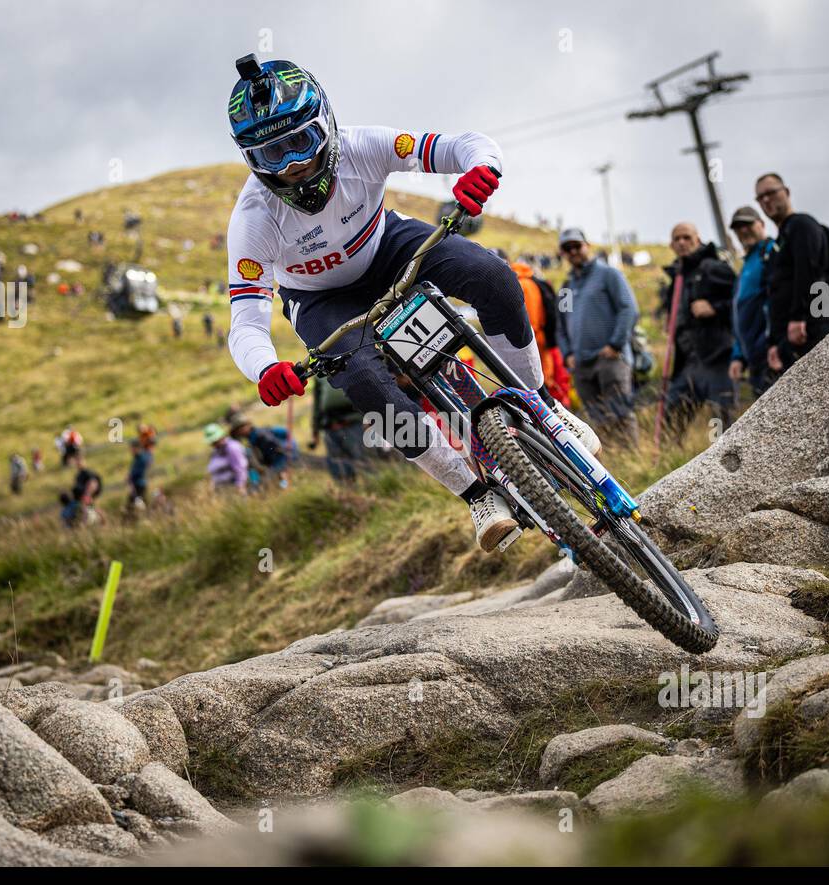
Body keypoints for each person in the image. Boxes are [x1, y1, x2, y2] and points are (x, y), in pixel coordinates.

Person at [222, 55, 597, 552]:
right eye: (271, 155)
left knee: (494, 276)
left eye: (300, 142)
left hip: (387, 247)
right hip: (319, 299)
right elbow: (244, 324)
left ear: (326, 126)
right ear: (250, 159)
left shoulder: (364, 146)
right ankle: (476, 495)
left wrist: (481, 169)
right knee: (361, 382)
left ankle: (541, 409)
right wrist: (266, 369)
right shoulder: (252, 219)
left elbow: (465, 145)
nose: (291, 164)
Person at [555, 227, 639, 440]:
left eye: (577, 245)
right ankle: (612, 467)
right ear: (562, 252)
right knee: (597, 422)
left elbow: (628, 308)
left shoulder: (608, 274)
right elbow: (561, 326)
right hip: (581, 365)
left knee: (621, 415)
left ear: (587, 246)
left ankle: (636, 463)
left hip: (611, 359)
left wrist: (616, 344)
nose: (573, 251)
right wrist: (568, 355)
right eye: (567, 247)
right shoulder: (567, 286)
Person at [754, 172, 829, 377]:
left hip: (810, 329)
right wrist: (775, 342)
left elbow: (808, 271)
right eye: (760, 197)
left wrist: (798, 318)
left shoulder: (801, 225)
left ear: (787, 192)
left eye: (771, 192)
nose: (766, 200)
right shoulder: (781, 239)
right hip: (793, 335)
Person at [660, 222, 737, 431]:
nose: (682, 242)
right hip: (688, 362)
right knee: (672, 417)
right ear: (671, 245)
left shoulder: (713, 267)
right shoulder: (677, 277)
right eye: (677, 239)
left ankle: (726, 461)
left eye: (687, 237)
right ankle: (674, 461)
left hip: (717, 358)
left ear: (698, 239)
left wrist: (715, 308)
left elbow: (740, 301)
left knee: (721, 423)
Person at [726, 207, 777, 400]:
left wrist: (775, 344)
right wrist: (738, 356)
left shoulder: (771, 252)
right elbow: (739, 317)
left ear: (762, 224)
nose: (743, 230)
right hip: (754, 359)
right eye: (738, 227)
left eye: (748, 224)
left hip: (772, 354)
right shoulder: (745, 267)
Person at [507, 257, 571, 407]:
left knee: (544, 385)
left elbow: (530, 324)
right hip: (541, 344)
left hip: (536, 345)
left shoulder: (523, 284)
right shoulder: (527, 280)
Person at [310, 376, 366, 482]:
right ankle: (346, 494)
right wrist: (315, 431)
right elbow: (317, 405)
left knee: (363, 462)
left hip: (354, 423)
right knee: (338, 466)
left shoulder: (352, 363)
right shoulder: (319, 374)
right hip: (330, 427)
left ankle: (371, 491)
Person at [230, 414, 297, 488]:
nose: (240, 431)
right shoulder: (253, 438)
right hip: (279, 460)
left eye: (242, 427)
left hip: (282, 460)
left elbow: (275, 450)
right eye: (238, 430)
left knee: (273, 481)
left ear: (248, 425)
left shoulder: (260, 435)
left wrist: (276, 466)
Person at [204, 422, 249, 494]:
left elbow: (240, 468)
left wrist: (241, 486)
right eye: (212, 442)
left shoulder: (232, 448)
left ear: (221, 436)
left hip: (234, 488)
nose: (212, 444)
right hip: (222, 489)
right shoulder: (217, 450)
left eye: (215, 441)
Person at [127, 438, 153, 506]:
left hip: (139, 486)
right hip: (137, 485)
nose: (131, 450)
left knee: (133, 506)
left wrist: (130, 476)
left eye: (132, 448)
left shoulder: (141, 458)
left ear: (137, 448)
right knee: (139, 504)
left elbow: (139, 472)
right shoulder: (137, 458)